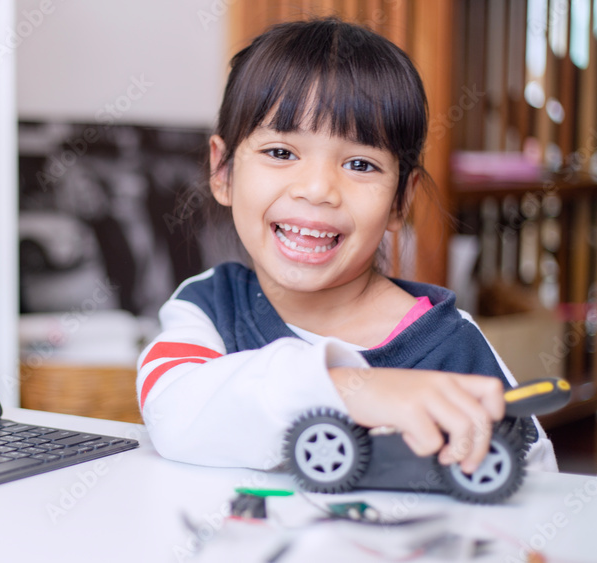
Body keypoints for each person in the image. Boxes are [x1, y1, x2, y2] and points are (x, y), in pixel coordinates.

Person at [136, 18, 557, 475]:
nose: (317, 189)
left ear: (401, 200)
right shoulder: (207, 306)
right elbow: (171, 408)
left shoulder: (451, 344)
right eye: (281, 152)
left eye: (360, 164)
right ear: (223, 171)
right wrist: (351, 389)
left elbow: (531, 485)